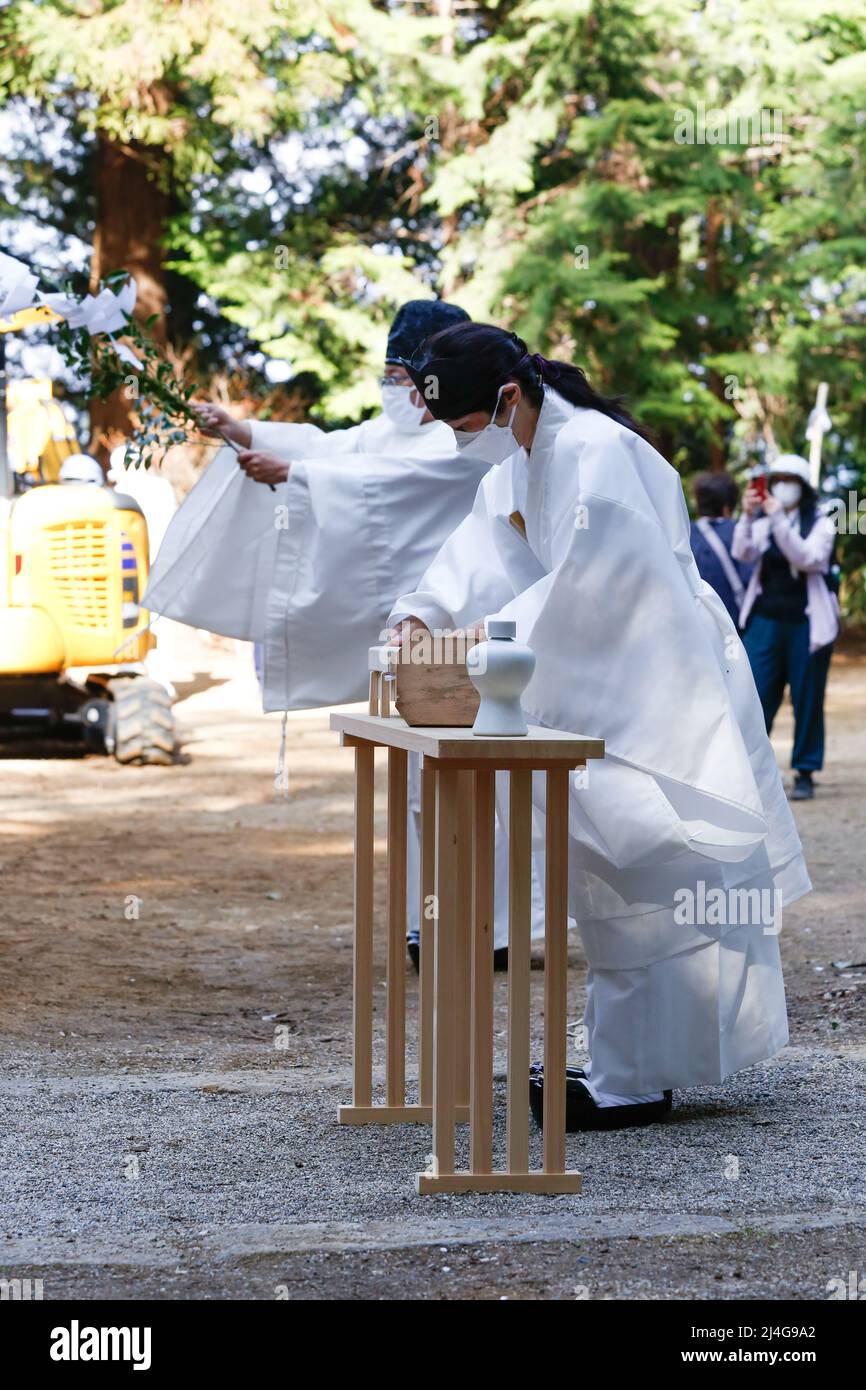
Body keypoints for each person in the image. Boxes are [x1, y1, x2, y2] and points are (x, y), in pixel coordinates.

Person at [388, 322, 809, 1131]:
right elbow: (477, 548)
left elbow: (602, 583)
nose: (461, 441)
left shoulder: (595, 452)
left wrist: (486, 636)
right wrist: (422, 612)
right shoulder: (526, 456)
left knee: (660, 868)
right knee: (616, 878)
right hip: (602, 678)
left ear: (509, 396)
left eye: (465, 423)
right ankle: (630, 1064)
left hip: (655, 679)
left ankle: (639, 1077)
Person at [144, 300, 528, 966]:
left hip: (474, 625)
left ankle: (492, 926)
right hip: (415, 633)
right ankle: (426, 918)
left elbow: (399, 480)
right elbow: (336, 447)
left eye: (409, 377)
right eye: (393, 374)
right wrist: (243, 429)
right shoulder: (388, 434)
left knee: (481, 780)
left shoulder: (473, 439)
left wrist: (300, 478)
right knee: (418, 783)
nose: (400, 389)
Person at [732, 455, 838, 802]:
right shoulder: (762, 521)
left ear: (803, 486)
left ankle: (805, 770)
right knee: (757, 693)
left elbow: (808, 558)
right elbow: (742, 552)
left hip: (806, 622)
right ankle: (752, 769)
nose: (782, 485)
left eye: (789, 479)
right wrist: (748, 515)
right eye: (776, 478)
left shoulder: (822, 521)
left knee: (807, 697)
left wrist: (778, 519)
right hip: (766, 620)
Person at [689, 471, 753, 626]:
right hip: (731, 623)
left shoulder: (685, 532)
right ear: (727, 507)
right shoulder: (739, 533)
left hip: (695, 620)